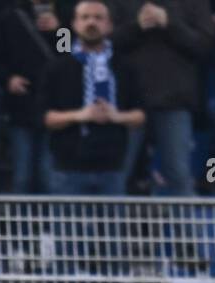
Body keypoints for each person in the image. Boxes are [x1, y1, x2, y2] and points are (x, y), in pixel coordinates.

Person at [42, 0, 145, 196]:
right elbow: (45, 118)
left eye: (98, 18)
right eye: (85, 17)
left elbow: (141, 115)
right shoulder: (57, 68)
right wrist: (80, 115)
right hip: (67, 169)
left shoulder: (126, 67)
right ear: (74, 24)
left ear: (109, 25)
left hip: (113, 168)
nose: (91, 22)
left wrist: (116, 117)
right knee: (69, 228)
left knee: (112, 227)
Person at [114, 0, 215, 196]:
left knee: (178, 174)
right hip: (126, 101)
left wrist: (169, 22)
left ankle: (187, 227)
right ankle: (112, 227)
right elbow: (102, 41)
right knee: (118, 174)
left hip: (174, 99)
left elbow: (204, 46)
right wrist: (137, 26)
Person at [0, 1, 61, 194]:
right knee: (22, 175)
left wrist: (58, 31)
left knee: (49, 175)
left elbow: (70, 56)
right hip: (21, 104)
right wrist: (8, 79)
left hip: (57, 107)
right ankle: (21, 223)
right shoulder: (10, 16)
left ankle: (51, 223)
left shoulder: (69, 13)